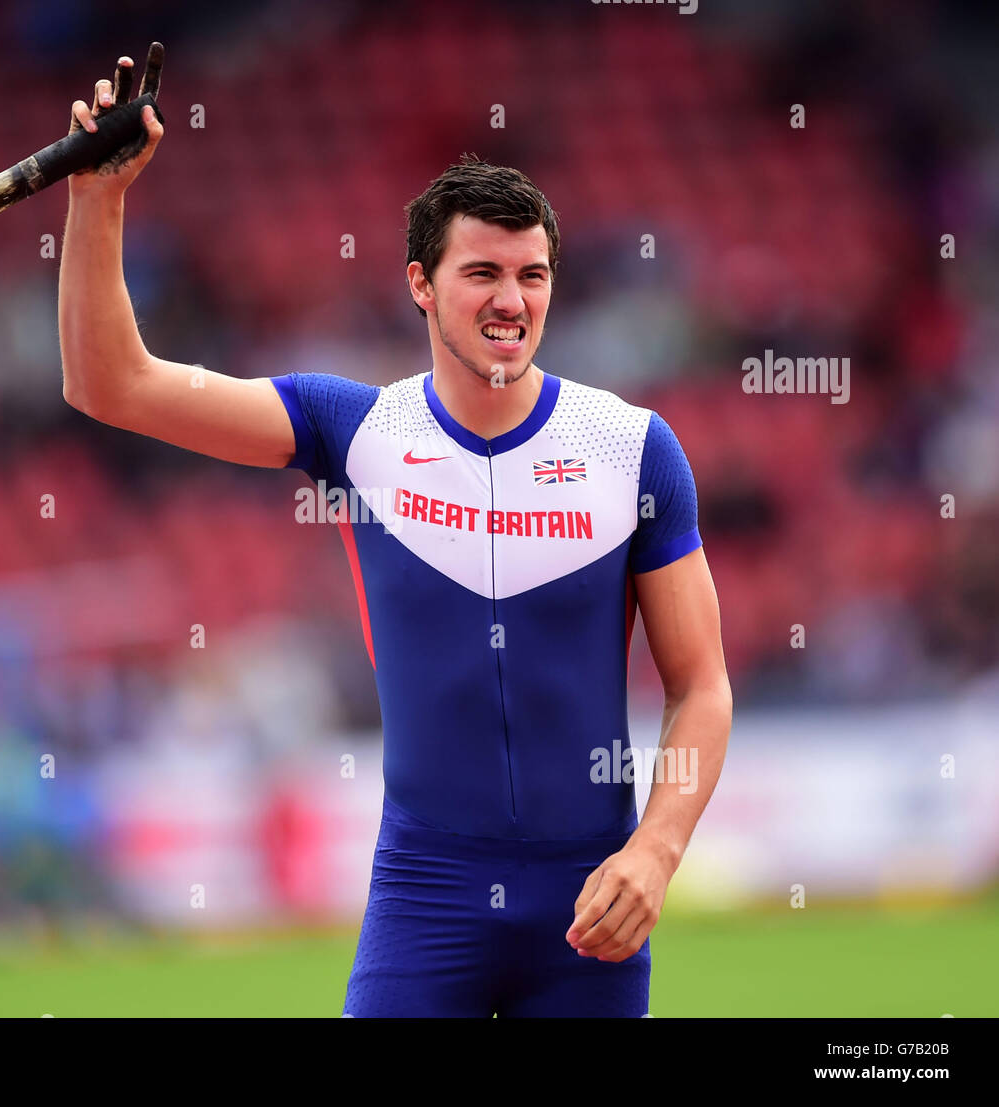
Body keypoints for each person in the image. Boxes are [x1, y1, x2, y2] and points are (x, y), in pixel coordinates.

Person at [60, 55, 733, 1017]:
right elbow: (108, 384)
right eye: (483, 273)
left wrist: (656, 851)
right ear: (420, 283)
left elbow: (701, 687)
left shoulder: (632, 448)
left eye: (532, 274)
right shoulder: (356, 428)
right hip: (426, 895)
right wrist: (99, 199)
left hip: (591, 902)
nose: (512, 299)